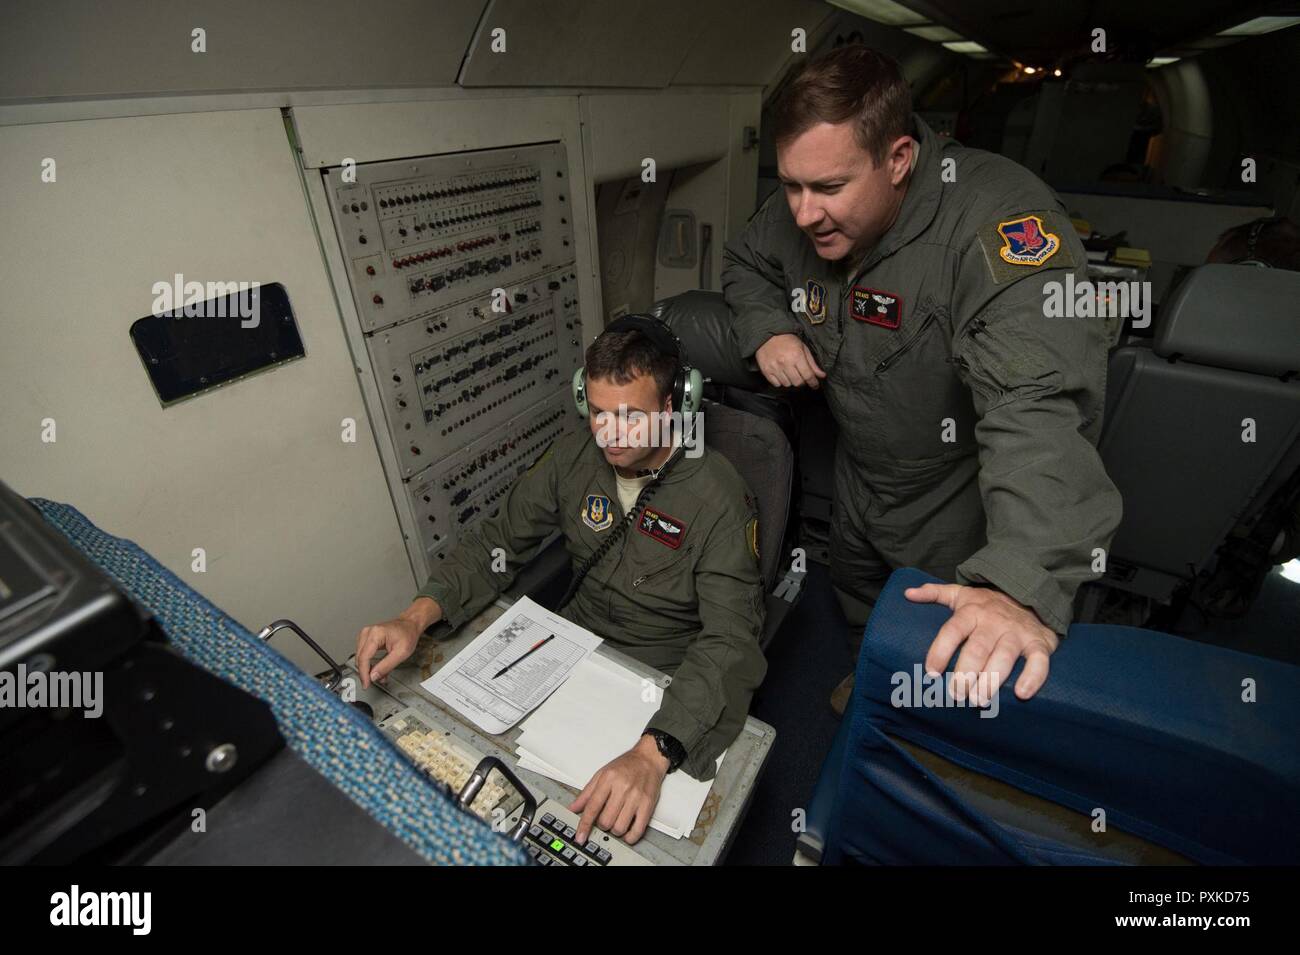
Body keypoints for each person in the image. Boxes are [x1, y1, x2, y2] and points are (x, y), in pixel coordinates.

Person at [722, 44, 1122, 710]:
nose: (801, 213)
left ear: (899, 158)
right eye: (791, 185)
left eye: (827, 189)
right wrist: (768, 327)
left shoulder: (996, 221)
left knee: (944, 664)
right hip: (861, 469)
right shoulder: (806, 207)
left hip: (952, 492)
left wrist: (1020, 581)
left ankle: (915, 722)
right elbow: (745, 260)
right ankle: (871, 680)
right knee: (857, 596)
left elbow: (1040, 401)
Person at [354, 315, 766, 845]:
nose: (610, 435)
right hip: (568, 650)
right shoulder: (572, 457)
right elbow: (498, 542)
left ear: (673, 407)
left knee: (600, 828)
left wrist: (653, 752)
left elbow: (730, 641)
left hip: (662, 675)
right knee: (461, 762)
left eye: (630, 417)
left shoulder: (719, 497)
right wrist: (417, 614)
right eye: (597, 413)